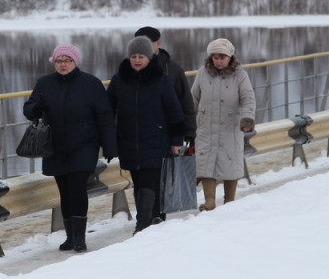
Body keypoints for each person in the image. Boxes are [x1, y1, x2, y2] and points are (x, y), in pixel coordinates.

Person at [23, 43, 118, 253]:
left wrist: (110, 146)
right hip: (54, 146)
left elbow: (104, 116)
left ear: (75, 62)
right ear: (54, 62)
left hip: (84, 145)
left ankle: (80, 238)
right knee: (64, 192)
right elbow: (28, 109)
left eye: (68, 60)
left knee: (77, 188)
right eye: (59, 60)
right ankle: (69, 237)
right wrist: (37, 108)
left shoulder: (90, 84)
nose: (63, 64)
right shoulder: (45, 84)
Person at [107, 35, 186, 233]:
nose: (137, 60)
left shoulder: (161, 80)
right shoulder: (119, 81)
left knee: (150, 182)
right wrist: (110, 139)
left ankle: (142, 225)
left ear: (149, 57)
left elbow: (174, 110)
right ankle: (154, 219)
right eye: (133, 56)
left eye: (141, 55)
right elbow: (108, 110)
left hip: (156, 140)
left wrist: (176, 140)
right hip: (129, 142)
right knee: (139, 183)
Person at [189, 37, 256, 211]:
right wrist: (188, 120)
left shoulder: (240, 75)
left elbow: (248, 98)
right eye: (215, 57)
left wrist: (247, 118)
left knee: (230, 162)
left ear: (230, 57)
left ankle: (229, 200)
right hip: (206, 126)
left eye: (222, 57)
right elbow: (193, 98)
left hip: (230, 126)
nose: (218, 61)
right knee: (206, 162)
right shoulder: (202, 73)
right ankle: (209, 200)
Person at [135, 25, 197, 146]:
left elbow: (186, 103)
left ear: (158, 44)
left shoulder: (173, 69)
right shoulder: (128, 71)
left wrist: (190, 133)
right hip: (136, 137)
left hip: (166, 136)